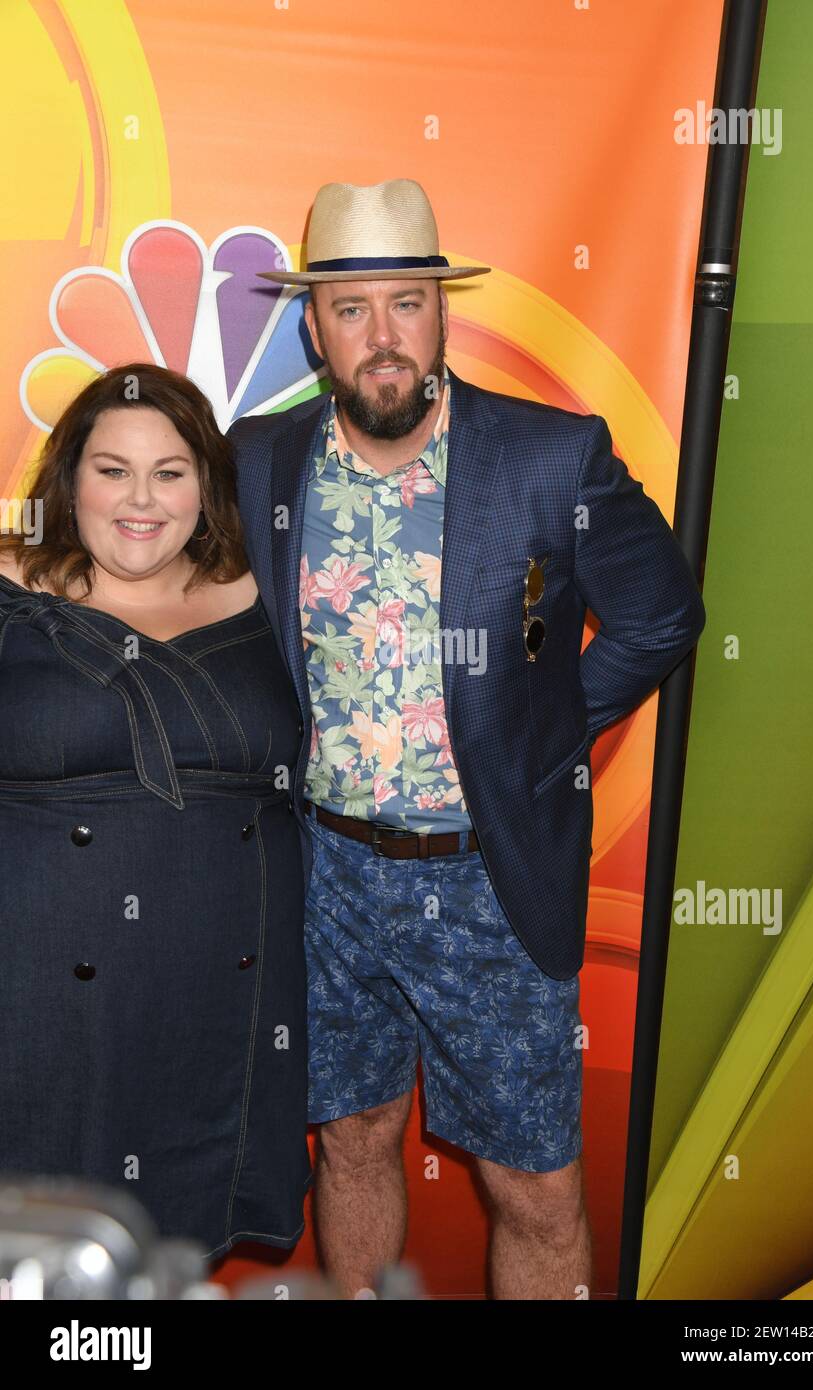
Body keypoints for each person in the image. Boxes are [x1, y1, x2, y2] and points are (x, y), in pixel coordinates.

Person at [228, 178, 707, 1299]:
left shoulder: (551, 457)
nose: (382, 337)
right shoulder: (260, 460)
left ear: (443, 313)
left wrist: (533, 729)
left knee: (532, 1187)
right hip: (324, 873)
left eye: (406, 303)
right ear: (313, 326)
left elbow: (661, 617)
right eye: (351, 309)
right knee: (348, 1141)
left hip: (486, 875)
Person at [0, 364, 310, 1263]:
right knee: (41, 1233)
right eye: (112, 469)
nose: (142, 499)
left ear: (206, 487)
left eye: (170, 472)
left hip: (221, 984)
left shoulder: (271, 598)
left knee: (179, 1236)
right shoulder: (10, 594)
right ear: (70, 481)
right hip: (36, 987)